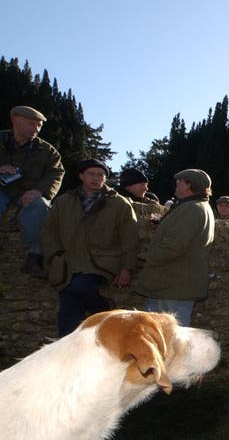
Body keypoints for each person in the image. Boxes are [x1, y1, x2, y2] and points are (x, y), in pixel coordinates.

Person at [41, 159, 139, 336]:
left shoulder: (119, 204)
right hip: (68, 263)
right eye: (91, 174)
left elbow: (130, 238)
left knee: (77, 287)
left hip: (102, 261)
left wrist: (127, 268)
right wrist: (55, 256)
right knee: (68, 308)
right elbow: (49, 232)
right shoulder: (64, 201)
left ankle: (106, 310)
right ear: (81, 176)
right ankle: (70, 347)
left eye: (100, 175)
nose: (96, 178)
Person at [133, 169, 215, 326]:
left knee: (165, 331)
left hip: (172, 284)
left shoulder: (192, 208)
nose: (176, 184)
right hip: (175, 284)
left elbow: (174, 246)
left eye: (180, 181)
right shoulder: (198, 207)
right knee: (165, 332)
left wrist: (148, 257)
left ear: (188, 185)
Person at [0, 105, 65, 277]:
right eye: (32, 124)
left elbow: (56, 173)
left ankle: (35, 257)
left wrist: (39, 191)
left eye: (39, 126)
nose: (36, 129)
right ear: (16, 121)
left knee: (39, 206)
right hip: (2, 191)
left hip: (29, 193)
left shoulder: (47, 151)